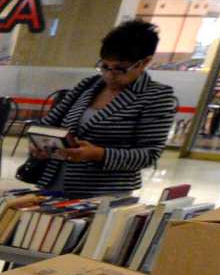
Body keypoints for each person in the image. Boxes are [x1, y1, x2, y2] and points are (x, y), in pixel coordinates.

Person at [18, 18, 177, 196]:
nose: (109, 75)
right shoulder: (89, 85)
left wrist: (98, 154)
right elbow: (48, 122)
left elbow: (149, 154)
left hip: (104, 191)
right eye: (104, 66)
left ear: (144, 62)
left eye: (119, 69)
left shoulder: (155, 96)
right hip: (53, 182)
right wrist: (38, 144)